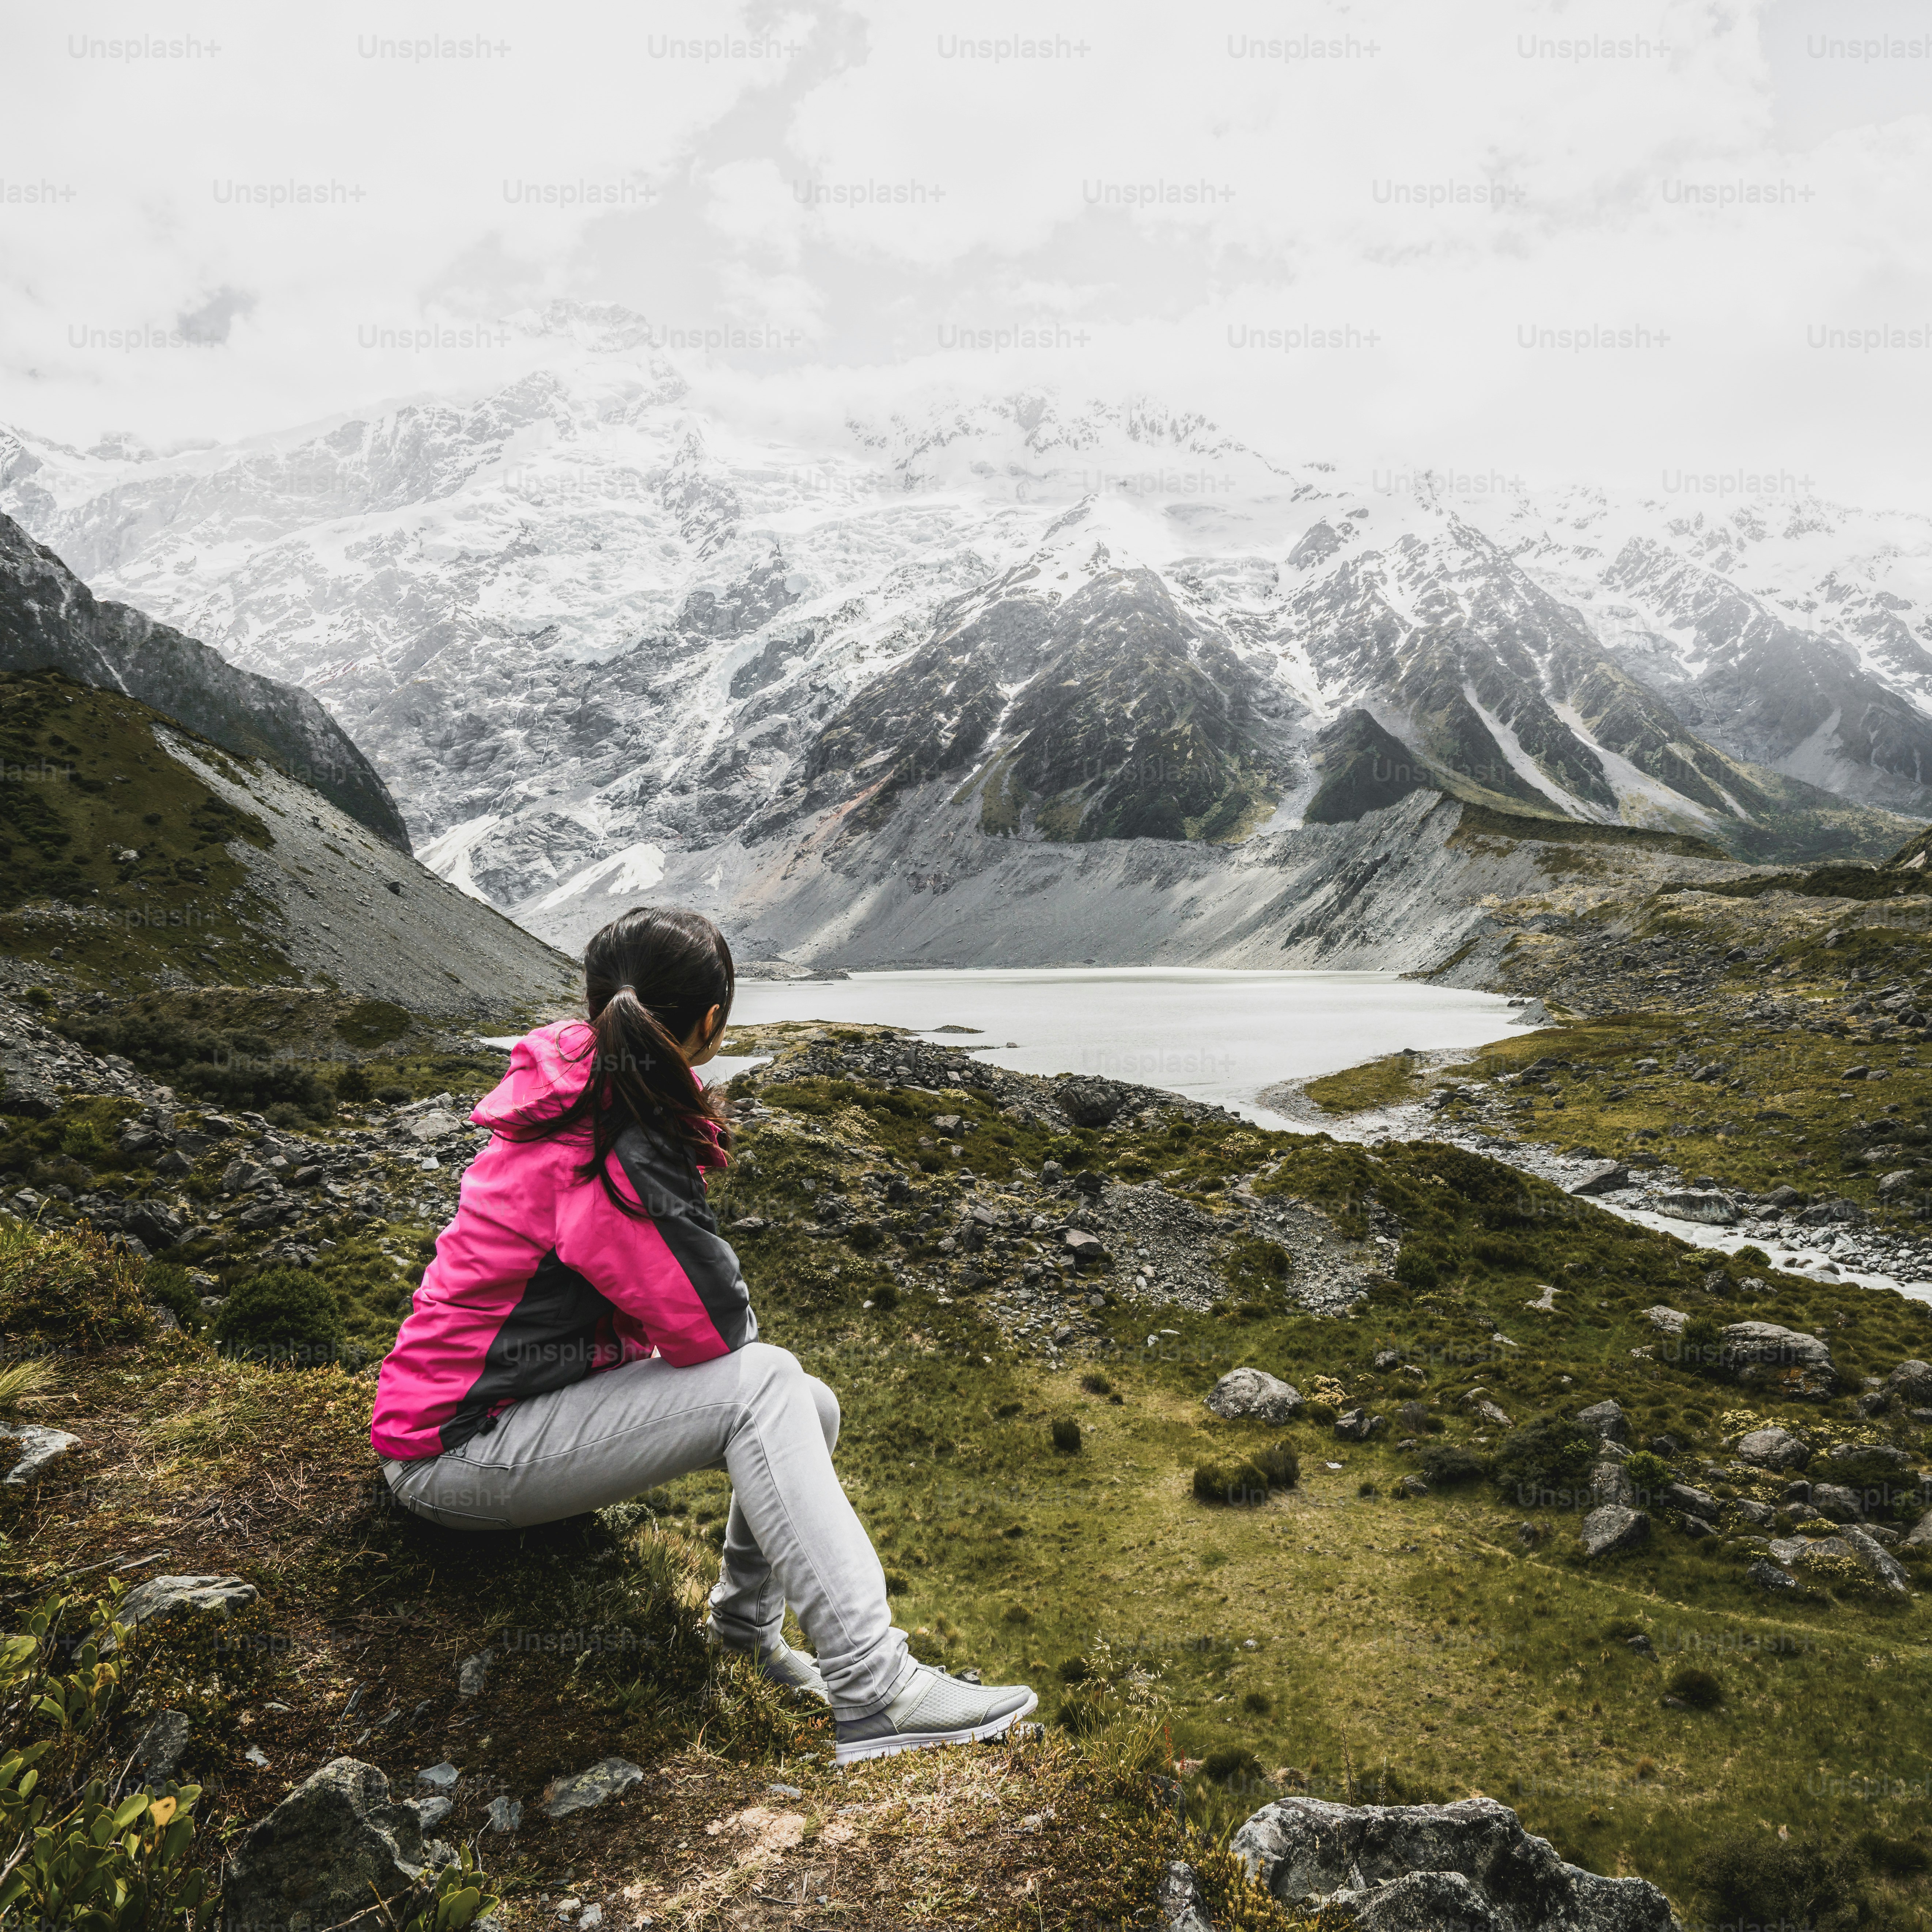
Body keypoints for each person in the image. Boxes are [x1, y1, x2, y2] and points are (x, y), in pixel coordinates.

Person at [370, 904, 1035, 1764]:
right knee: (766, 1382)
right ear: (712, 1023)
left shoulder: (576, 1098)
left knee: (806, 1400)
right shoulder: (614, 1143)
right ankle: (876, 1691)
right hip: (452, 1454)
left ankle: (743, 1634)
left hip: (481, 1420)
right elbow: (718, 1333)